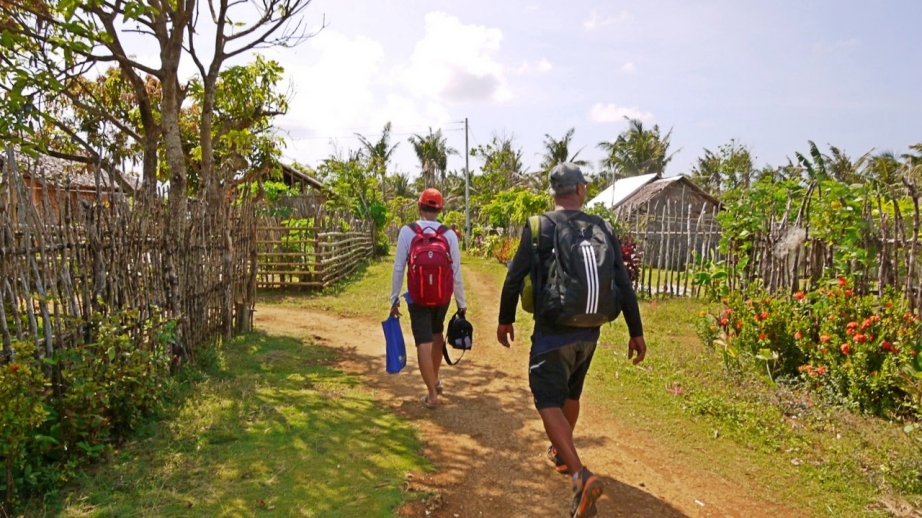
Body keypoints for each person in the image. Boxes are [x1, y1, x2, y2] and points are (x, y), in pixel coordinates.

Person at [496, 163, 647, 517]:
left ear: (553, 192)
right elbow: (623, 283)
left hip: (552, 331)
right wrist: (635, 330)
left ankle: (580, 476)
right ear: (580, 189)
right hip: (590, 331)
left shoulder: (539, 227)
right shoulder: (602, 226)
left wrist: (505, 320)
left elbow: (514, 278)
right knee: (572, 393)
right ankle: (560, 453)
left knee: (547, 399)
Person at [391, 188, 467, 408]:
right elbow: (457, 273)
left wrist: (394, 298)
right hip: (442, 296)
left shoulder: (408, 232)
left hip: (417, 297)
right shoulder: (449, 234)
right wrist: (461, 303)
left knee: (423, 341)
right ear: (440, 209)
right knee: (436, 334)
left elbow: (398, 268)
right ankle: (435, 380)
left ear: (419, 206)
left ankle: (432, 393)